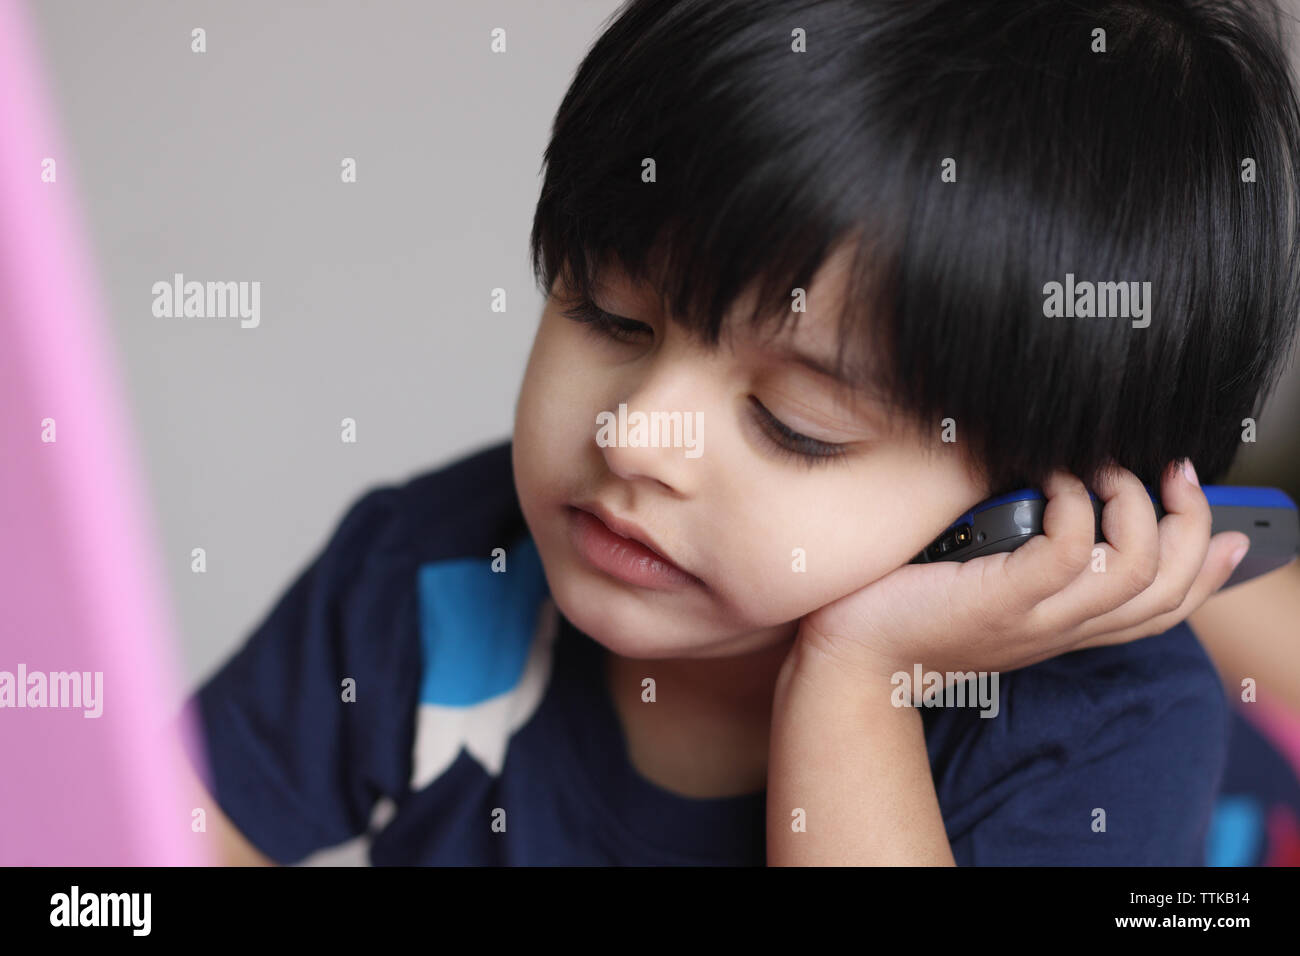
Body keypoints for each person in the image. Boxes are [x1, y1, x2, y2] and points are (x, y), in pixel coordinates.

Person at [178, 0, 1300, 865]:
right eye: (608, 314)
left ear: (1021, 512)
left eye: (793, 423)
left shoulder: (1108, 727)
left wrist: (855, 679)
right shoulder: (419, 576)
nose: (632, 434)